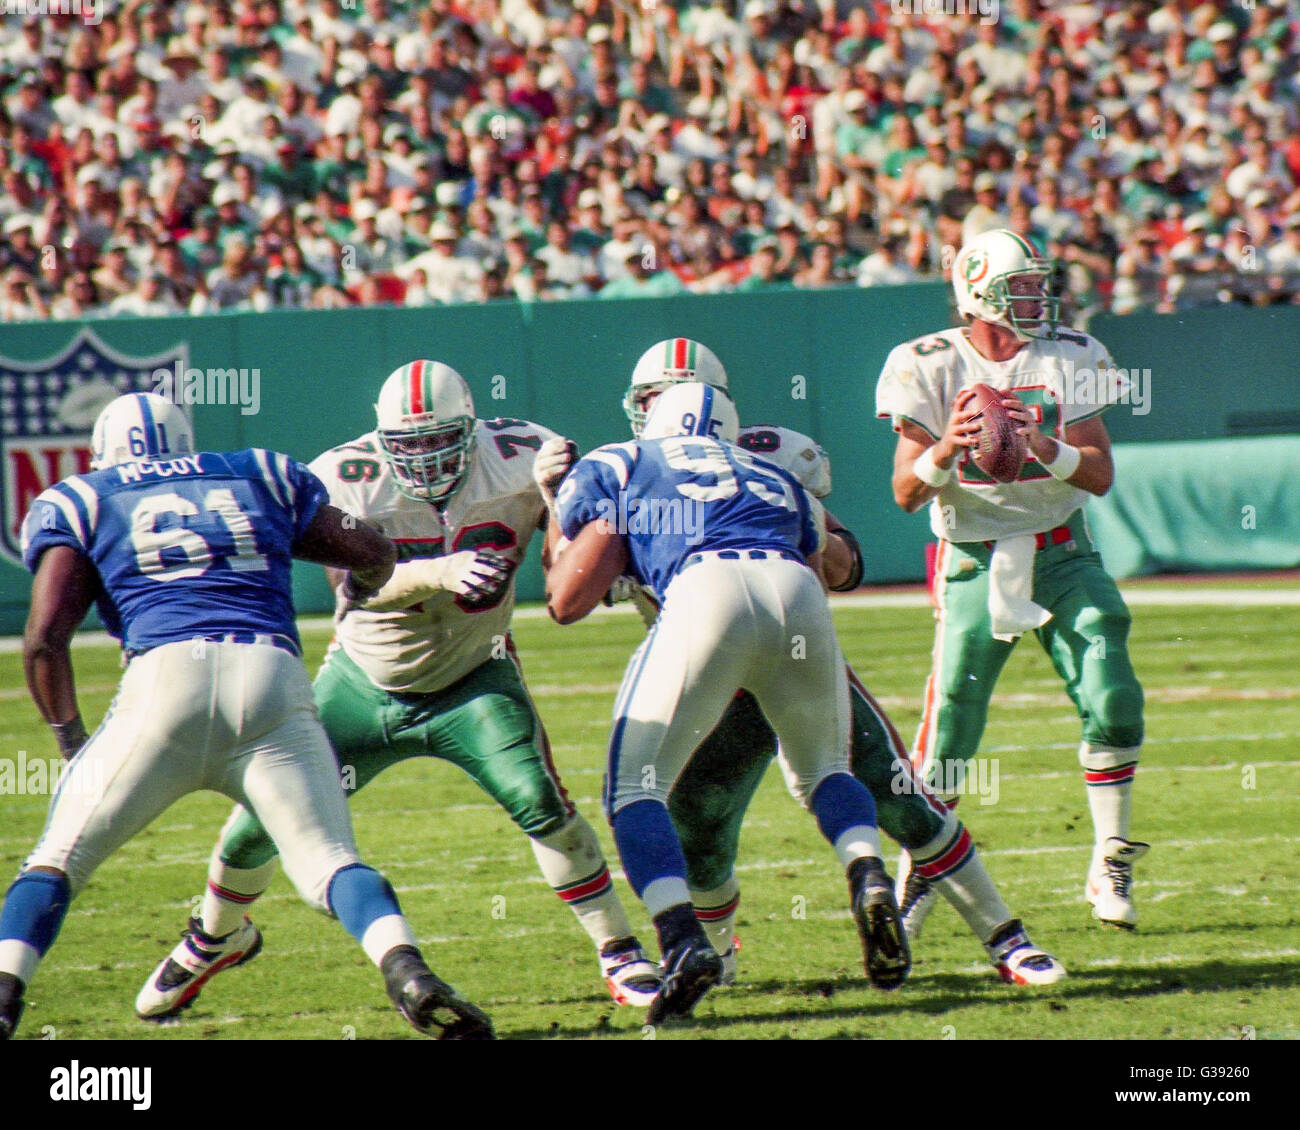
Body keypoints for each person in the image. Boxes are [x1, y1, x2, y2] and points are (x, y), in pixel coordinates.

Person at [135, 362, 661, 1021]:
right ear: (382, 442)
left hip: (475, 675)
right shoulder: (347, 476)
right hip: (363, 683)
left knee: (539, 798)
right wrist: (442, 571)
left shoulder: (524, 454)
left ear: (470, 431)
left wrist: (558, 500)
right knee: (260, 821)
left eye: (440, 441)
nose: (425, 459)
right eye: (407, 446)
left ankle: (618, 949)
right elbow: (352, 590)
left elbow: (566, 562)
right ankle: (213, 937)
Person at [0, 393, 491, 1041]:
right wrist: (372, 577)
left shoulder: (82, 498)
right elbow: (367, 547)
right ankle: (407, 971)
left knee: (57, 860)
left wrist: (70, 740)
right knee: (330, 863)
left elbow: (42, 640)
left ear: (106, 453)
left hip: (163, 684)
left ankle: (7, 994)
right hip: (272, 679)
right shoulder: (257, 472)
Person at [598, 339, 1064, 987]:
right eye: (649, 399)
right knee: (703, 834)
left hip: (737, 669)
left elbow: (845, 561)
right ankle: (727, 955)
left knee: (903, 802)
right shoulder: (635, 465)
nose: (660, 410)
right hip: (755, 666)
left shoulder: (735, 458)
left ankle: (1006, 937)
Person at [547, 382, 911, 1024]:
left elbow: (567, 599)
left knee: (635, 789)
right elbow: (831, 561)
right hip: (797, 590)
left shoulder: (621, 459)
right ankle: (867, 871)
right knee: (826, 769)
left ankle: (682, 939)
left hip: (707, 590)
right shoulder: (769, 471)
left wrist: (554, 507)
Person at [875, 228, 1148, 935]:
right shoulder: (926, 362)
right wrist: (948, 446)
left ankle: (1110, 855)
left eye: (1036, 283)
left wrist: (1044, 444)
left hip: (1064, 550)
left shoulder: (1072, 354)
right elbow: (906, 492)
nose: (1036, 296)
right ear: (978, 294)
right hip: (971, 556)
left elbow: (1100, 475)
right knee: (951, 736)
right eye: (1020, 286)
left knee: (1114, 694)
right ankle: (921, 873)